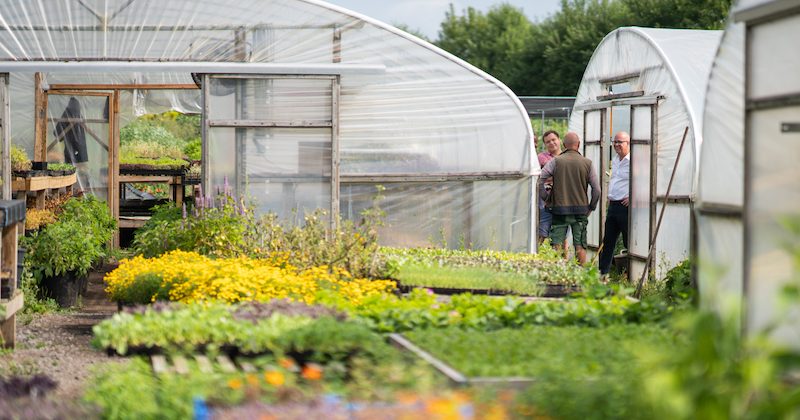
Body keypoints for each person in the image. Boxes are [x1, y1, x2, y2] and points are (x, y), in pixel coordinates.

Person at [538, 132, 600, 264]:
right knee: (580, 245)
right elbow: (597, 189)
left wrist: (547, 199)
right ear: (578, 144)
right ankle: (581, 276)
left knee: (557, 244)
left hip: (559, 210)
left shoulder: (555, 161)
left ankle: (559, 273)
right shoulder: (587, 163)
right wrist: (591, 207)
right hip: (580, 211)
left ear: (564, 145)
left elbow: (540, 180)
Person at [599, 131, 630, 276]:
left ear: (628, 143)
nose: (616, 144)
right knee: (608, 241)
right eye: (615, 142)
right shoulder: (616, 159)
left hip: (625, 207)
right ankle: (603, 273)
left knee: (628, 242)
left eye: (620, 142)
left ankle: (630, 274)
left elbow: (644, 181)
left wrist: (633, 197)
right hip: (613, 205)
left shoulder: (633, 161)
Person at [55, 97, 90, 191]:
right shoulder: (72, 115)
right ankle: (72, 186)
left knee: (74, 166)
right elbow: (59, 132)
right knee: (74, 165)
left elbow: (58, 132)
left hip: (73, 146)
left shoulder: (72, 114)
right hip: (75, 146)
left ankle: (75, 186)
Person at [537, 130, 562, 244]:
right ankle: (535, 256)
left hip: (562, 197)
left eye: (553, 140)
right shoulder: (541, 157)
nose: (551, 143)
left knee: (561, 231)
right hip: (545, 197)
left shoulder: (566, 156)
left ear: (559, 140)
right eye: (548, 142)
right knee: (543, 229)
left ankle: (563, 259)